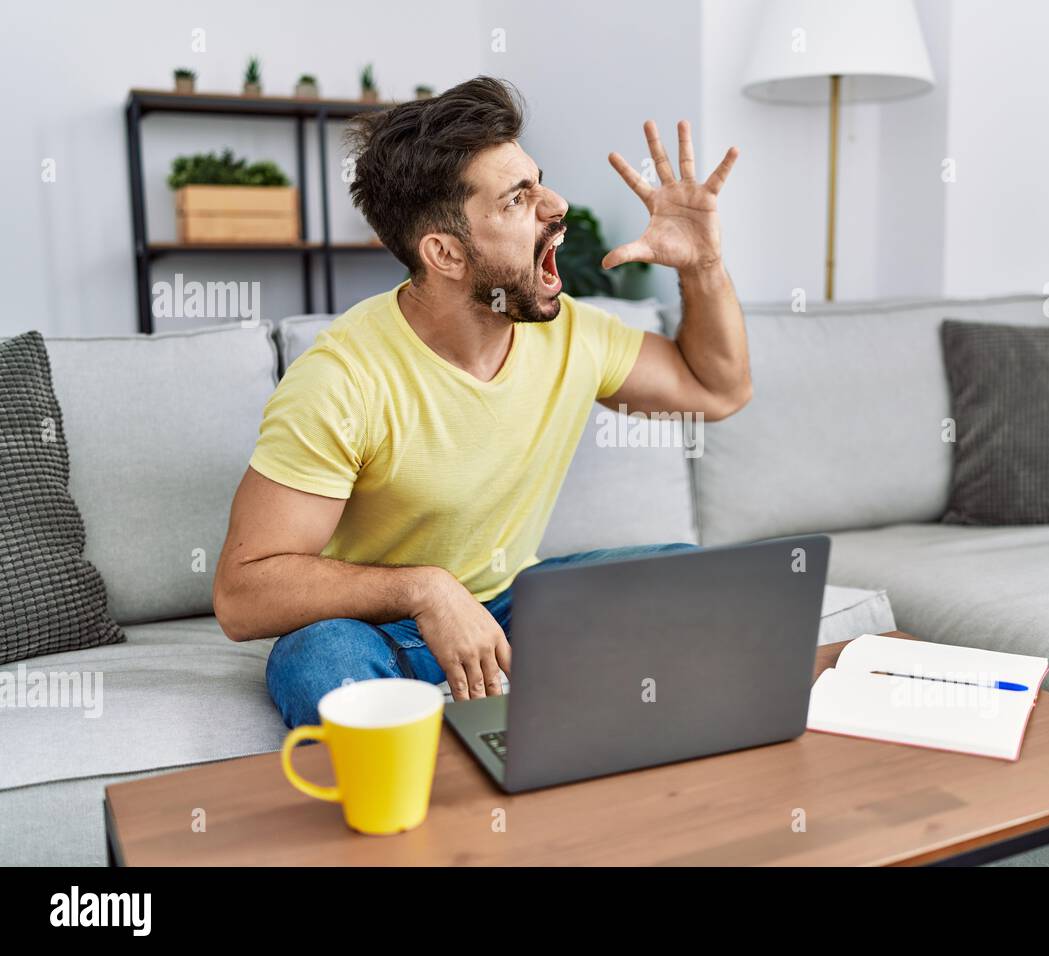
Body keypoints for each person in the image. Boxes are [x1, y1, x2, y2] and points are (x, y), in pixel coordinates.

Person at [212, 76, 749, 728]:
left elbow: (716, 390)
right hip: (378, 626)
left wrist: (703, 265)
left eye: (540, 183)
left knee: (695, 578)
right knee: (315, 661)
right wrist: (426, 589)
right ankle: (434, 793)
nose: (558, 207)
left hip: (514, 608)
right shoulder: (341, 379)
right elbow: (242, 595)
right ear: (444, 253)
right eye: (519, 200)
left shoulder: (572, 333)